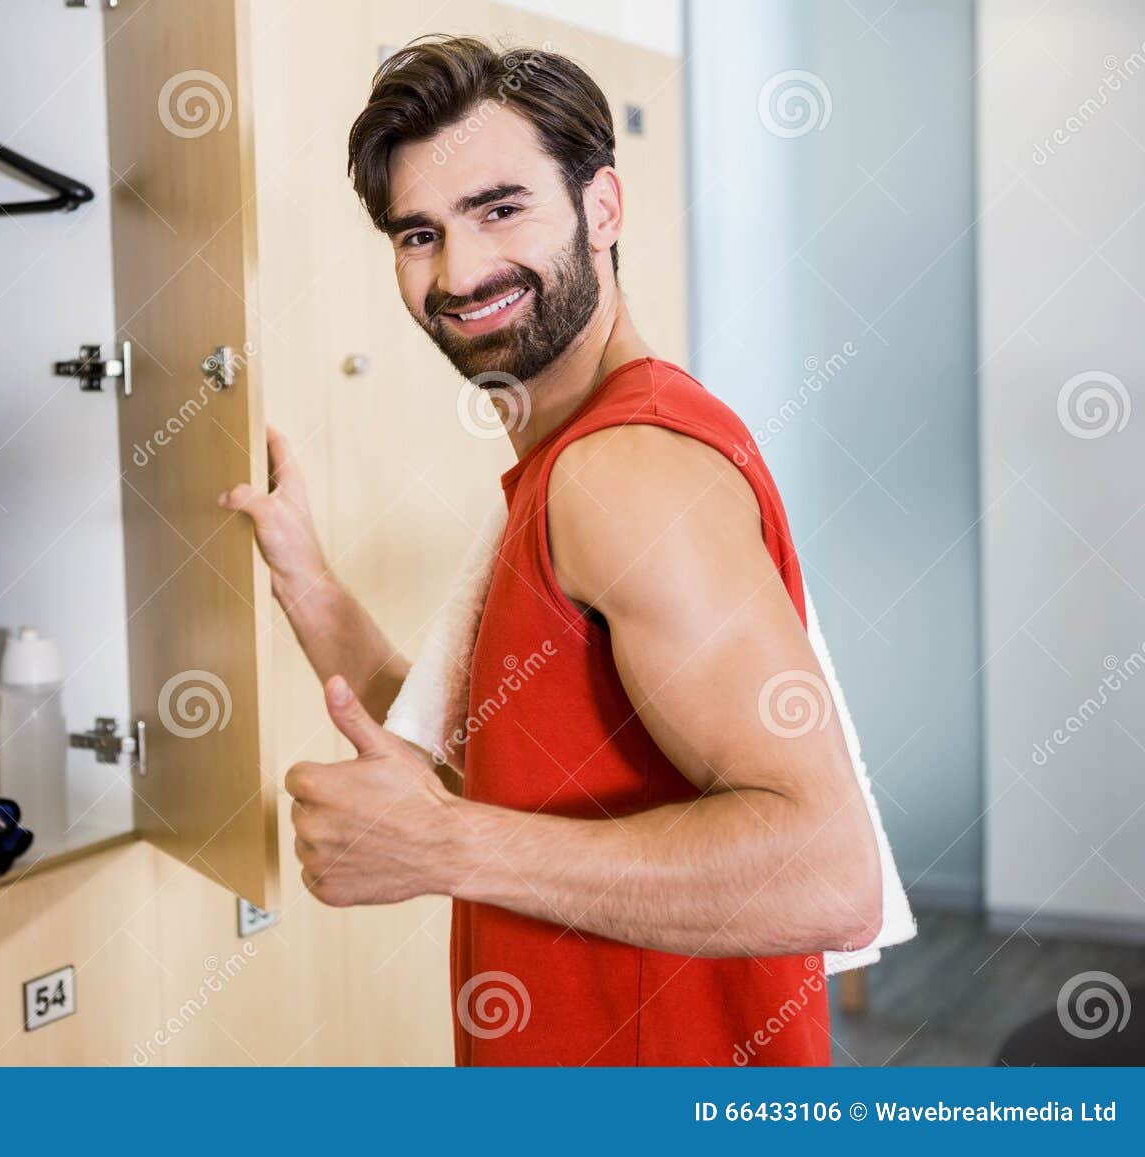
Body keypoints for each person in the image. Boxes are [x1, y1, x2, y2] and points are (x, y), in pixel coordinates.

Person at [219, 35, 880, 1066]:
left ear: (602, 208)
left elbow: (827, 874)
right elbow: (508, 765)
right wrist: (306, 581)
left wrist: (441, 844)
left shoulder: (622, 475)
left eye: (500, 208)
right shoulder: (568, 460)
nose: (461, 270)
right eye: (417, 233)